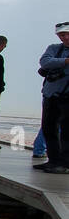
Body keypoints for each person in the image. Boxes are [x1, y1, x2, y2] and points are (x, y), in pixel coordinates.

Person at [35, 22, 69, 174]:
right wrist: (65, 61)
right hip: (51, 94)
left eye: (67, 34)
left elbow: (49, 63)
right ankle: (53, 161)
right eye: (62, 35)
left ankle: (65, 164)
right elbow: (44, 62)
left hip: (67, 97)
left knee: (67, 132)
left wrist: (57, 63)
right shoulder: (54, 48)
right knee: (49, 129)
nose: (65, 37)